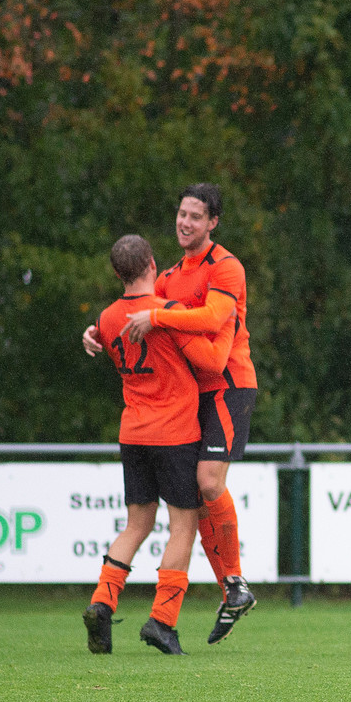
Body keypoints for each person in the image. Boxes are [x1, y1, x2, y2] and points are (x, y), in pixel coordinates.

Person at [83, 183, 258, 645]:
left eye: (195, 217)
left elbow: (208, 321)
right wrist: (98, 333)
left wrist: (154, 319)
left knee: (205, 485)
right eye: (181, 214)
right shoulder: (169, 278)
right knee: (189, 506)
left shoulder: (227, 267)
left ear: (213, 223)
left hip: (227, 384)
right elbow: (141, 311)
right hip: (187, 399)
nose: (185, 222)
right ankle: (202, 602)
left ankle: (234, 582)